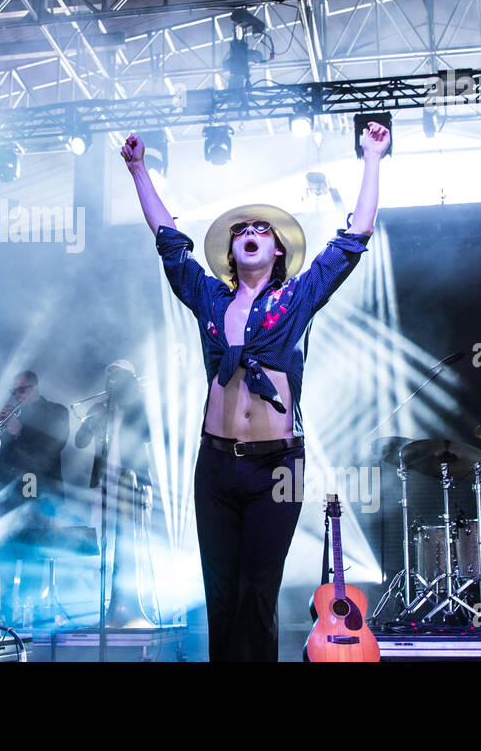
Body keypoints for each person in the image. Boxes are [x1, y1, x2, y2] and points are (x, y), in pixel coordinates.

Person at [122, 124, 390, 661]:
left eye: (262, 229)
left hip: (278, 469)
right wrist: (137, 171)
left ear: (277, 250)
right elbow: (168, 241)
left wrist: (372, 157)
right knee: (219, 598)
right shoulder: (208, 298)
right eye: (241, 227)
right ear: (230, 250)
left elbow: (354, 237)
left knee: (256, 595)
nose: (250, 231)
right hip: (215, 465)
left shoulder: (297, 296)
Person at [75, 359, 157, 626]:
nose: (112, 383)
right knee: (105, 544)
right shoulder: (103, 410)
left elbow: (148, 434)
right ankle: (107, 605)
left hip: (132, 485)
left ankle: (134, 605)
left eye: (118, 378)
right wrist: (93, 420)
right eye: (109, 378)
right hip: (104, 485)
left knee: (131, 547)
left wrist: (127, 403)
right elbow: (80, 442)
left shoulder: (140, 406)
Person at [0, 370, 69, 625]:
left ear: (34, 388)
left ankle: (32, 616)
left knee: (33, 554)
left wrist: (20, 432)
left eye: (21, 390)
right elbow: (1, 456)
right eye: (13, 392)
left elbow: (52, 446)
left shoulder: (56, 412)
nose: (16, 396)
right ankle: (7, 613)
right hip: (12, 497)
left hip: (40, 494)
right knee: (6, 554)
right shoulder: (15, 416)